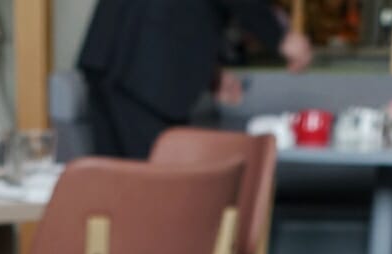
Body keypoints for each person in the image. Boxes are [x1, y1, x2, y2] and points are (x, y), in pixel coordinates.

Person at [78, 0, 313, 160]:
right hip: (149, 68)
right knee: (151, 194)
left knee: (113, 193)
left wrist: (209, 71)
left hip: (109, 51)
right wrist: (281, 37)